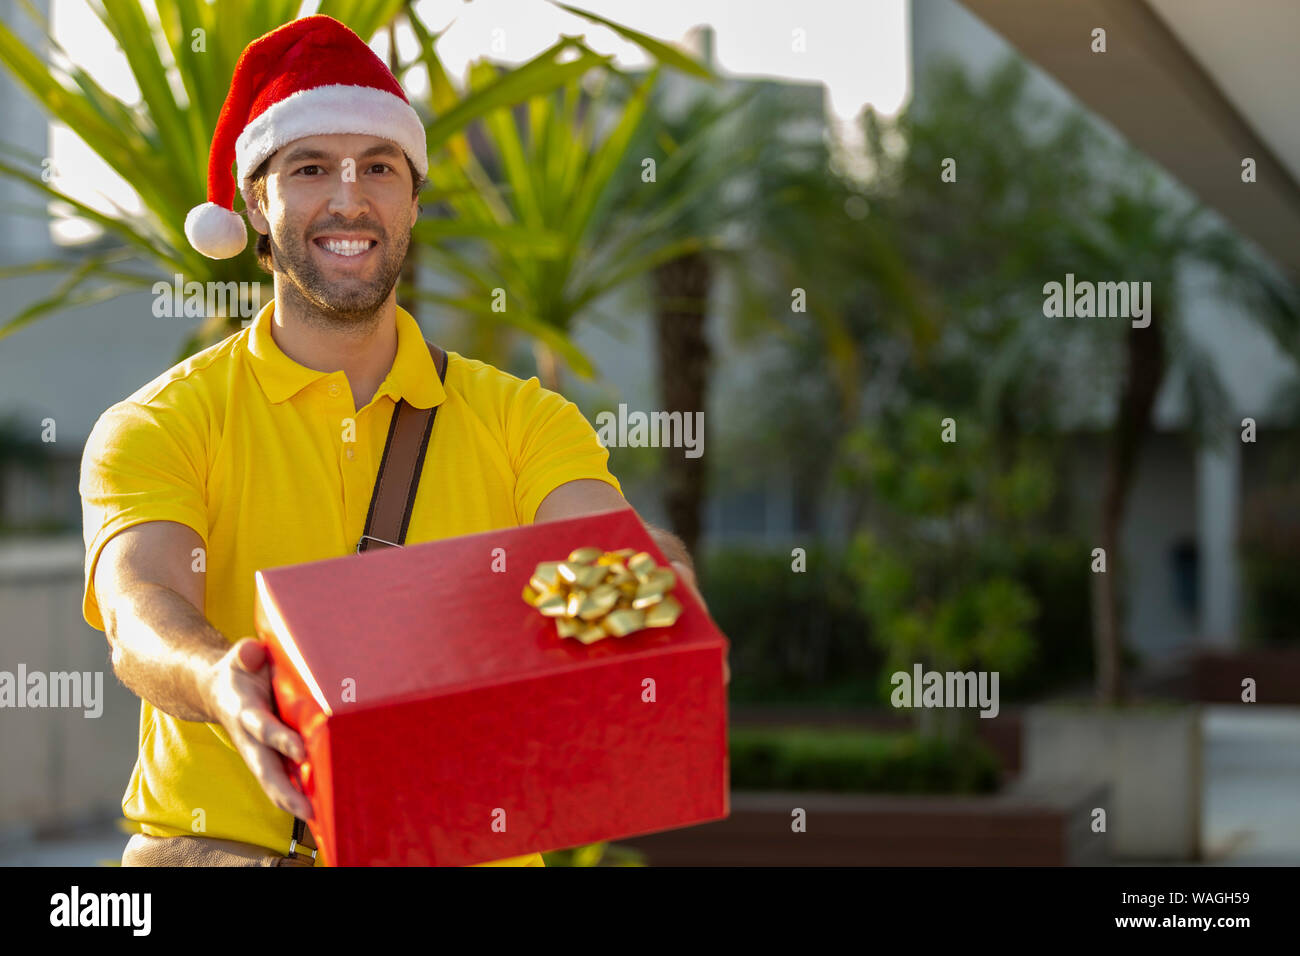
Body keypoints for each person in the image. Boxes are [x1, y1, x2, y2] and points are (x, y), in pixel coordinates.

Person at [80, 14, 721, 868]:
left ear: (413, 202)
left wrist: (657, 582)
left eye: (378, 168)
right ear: (255, 209)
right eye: (310, 168)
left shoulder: (521, 418)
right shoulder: (162, 424)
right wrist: (213, 679)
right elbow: (140, 610)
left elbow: (602, 544)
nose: (349, 199)